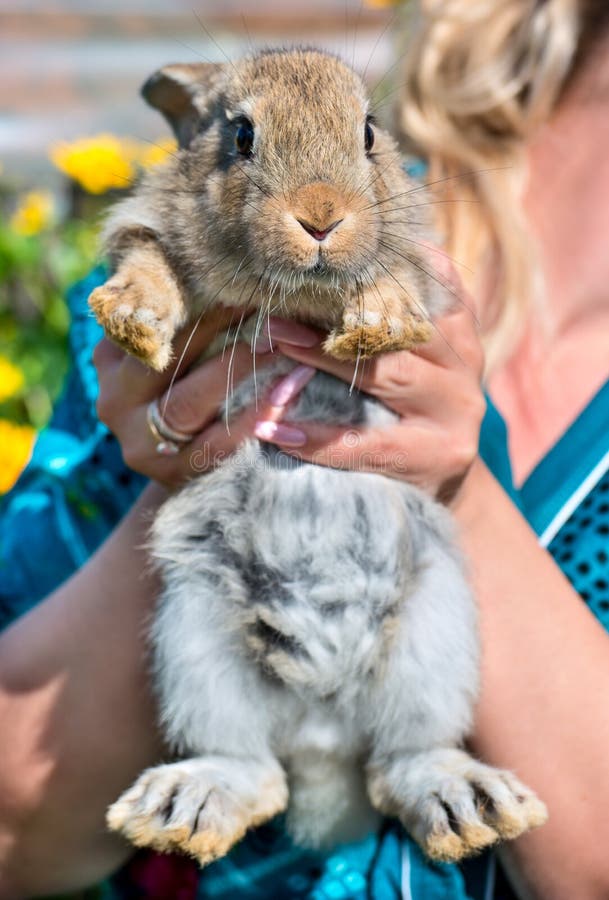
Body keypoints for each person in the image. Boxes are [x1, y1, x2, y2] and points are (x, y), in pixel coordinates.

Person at [0, 0, 608, 897]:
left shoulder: (387, 225)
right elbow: (14, 815)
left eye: (359, 142)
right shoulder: (199, 233)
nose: (323, 205)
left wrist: (451, 480)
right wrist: (188, 453)